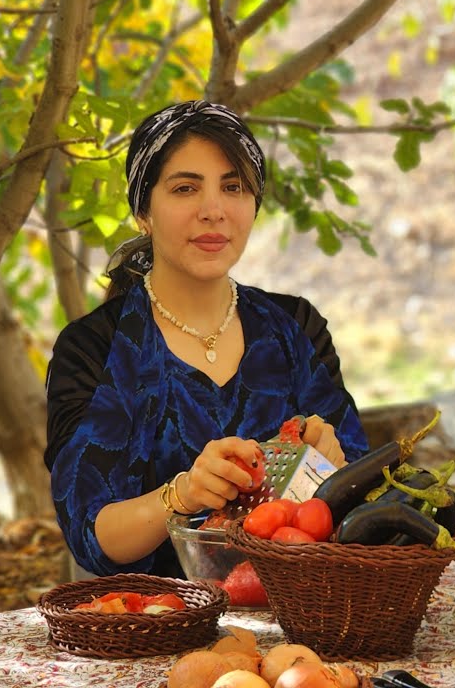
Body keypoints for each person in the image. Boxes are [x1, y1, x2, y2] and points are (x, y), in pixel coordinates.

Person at [44, 100, 369, 578]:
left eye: (232, 187)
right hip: (154, 623)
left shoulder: (294, 326)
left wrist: (331, 466)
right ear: (143, 211)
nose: (213, 211)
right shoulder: (96, 346)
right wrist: (184, 493)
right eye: (185, 188)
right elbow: (91, 535)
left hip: (299, 608)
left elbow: (362, 498)